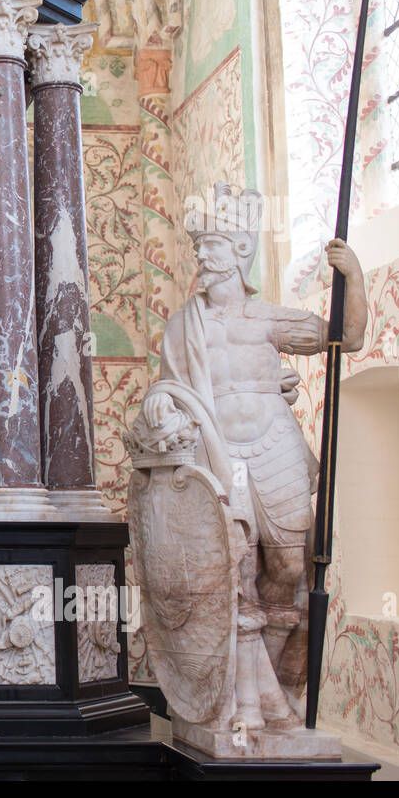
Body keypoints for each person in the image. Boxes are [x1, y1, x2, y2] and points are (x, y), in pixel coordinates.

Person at [159, 183, 367, 717]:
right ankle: (243, 695)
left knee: (290, 567)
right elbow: (169, 387)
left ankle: (274, 683)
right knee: (233, 569)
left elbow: (347, 336)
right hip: (218, 449)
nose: (202, 255)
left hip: (275, 447)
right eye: (199, 245)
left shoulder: (270, 319)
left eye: (212, 245)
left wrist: (355, 277)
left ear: (240, 252)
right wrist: (161, 406)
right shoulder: (184, 324)